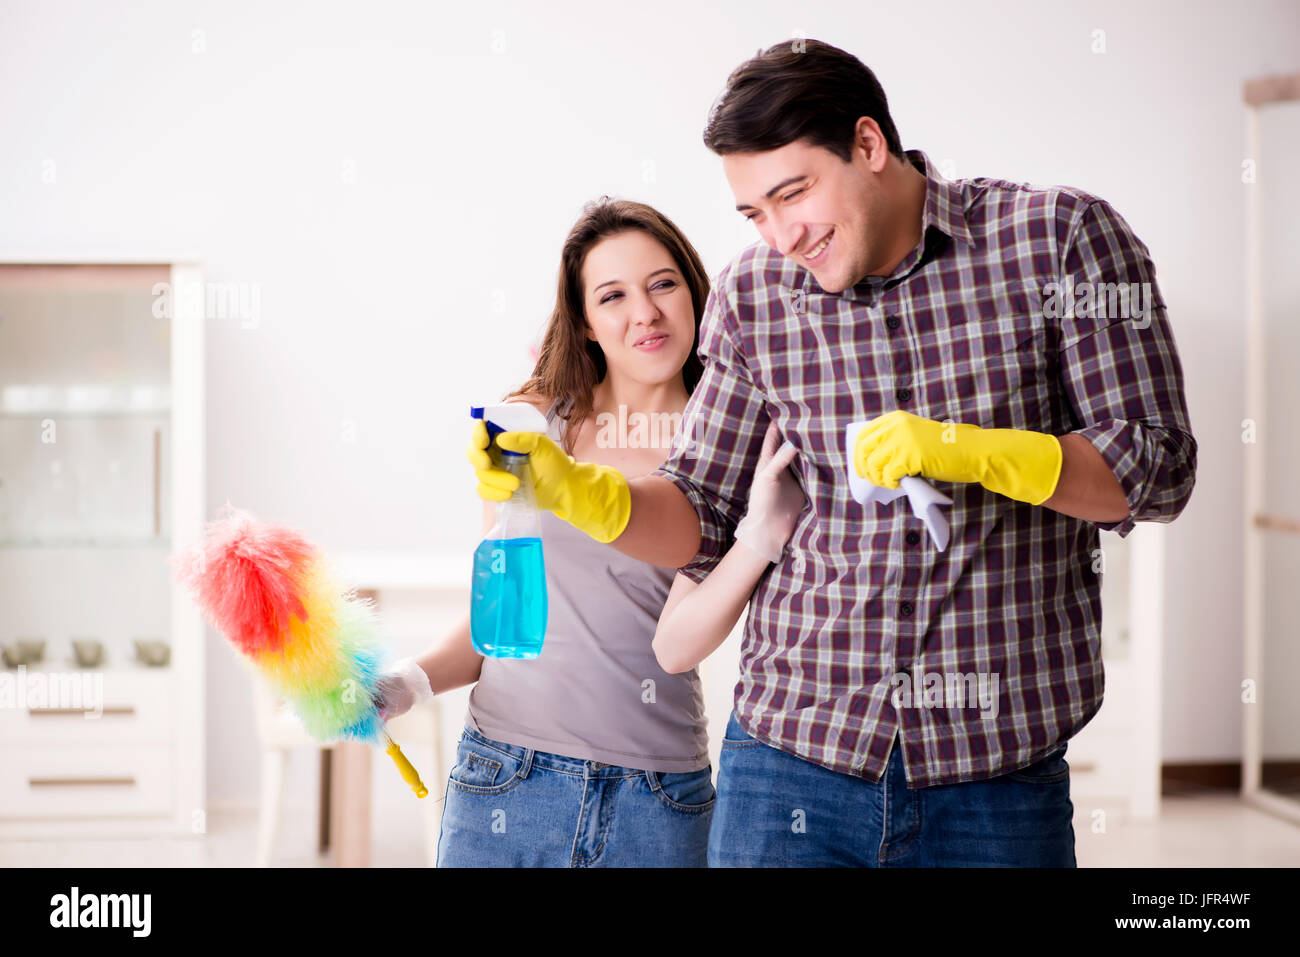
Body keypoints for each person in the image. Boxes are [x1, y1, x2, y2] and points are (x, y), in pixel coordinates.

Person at [471, 39, 1197, 867]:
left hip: (997, 777)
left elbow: (1158, 468)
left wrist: (979, 453)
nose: (782, 236)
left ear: (868, 144)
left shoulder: (1058, 241)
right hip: (786, 764)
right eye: (755, 214)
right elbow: (701, 511)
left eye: (794, 194)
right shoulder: (754, 297)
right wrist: (579, 492)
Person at [376, 197, 804, 867]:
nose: (645, 312)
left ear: (696, 293)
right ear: (585, 323)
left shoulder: (728, 448)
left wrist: (758, 537)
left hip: (658, 801)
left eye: (663, 283)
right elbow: (497, 620)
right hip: (505, 779)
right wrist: (407, 683)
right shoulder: (531, 426)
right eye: (613, 295)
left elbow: (684, 640)